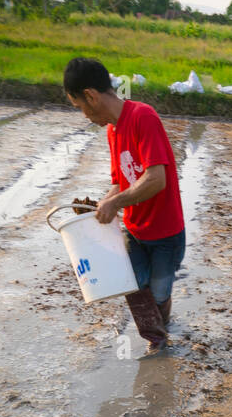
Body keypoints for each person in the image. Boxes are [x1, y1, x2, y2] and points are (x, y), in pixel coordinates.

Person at [63, 57, 185, 353]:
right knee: (134, 286)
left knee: (157, 293)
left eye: (80, 106)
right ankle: (156, 341)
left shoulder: (143, 117)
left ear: (90, 96)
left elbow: (157, 179)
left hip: (166, 233)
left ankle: (162, 323)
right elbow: (120, 180)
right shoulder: (112, 130)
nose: (84, 115)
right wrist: (104, 203)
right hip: (134, 230)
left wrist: (116, 201)